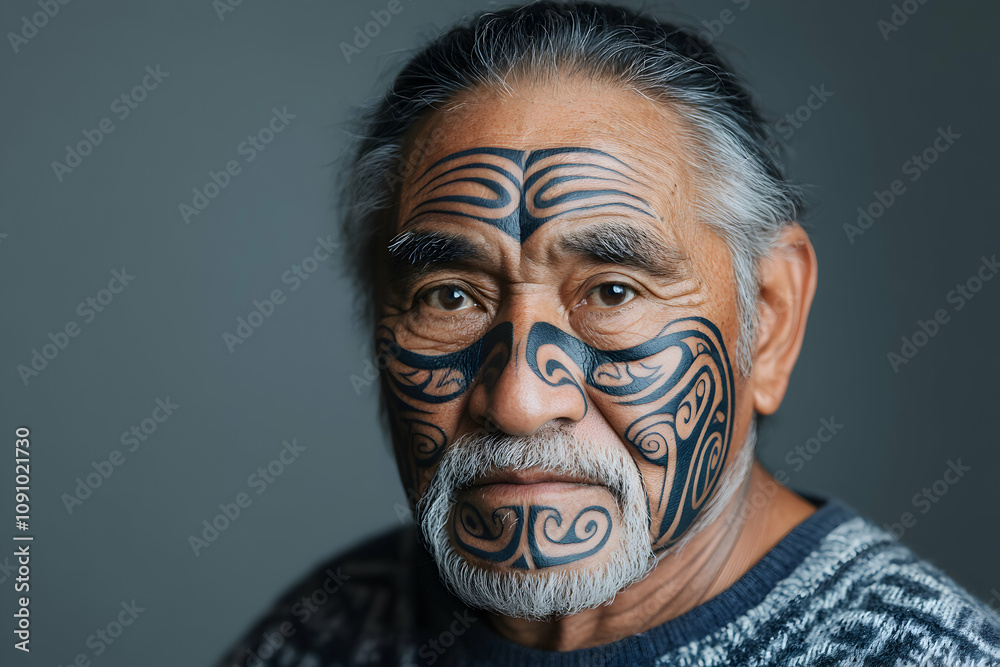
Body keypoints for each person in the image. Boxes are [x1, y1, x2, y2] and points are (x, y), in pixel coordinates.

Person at [217, 2, 1000, 665]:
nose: (521, 400)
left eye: (613, 290)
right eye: (450, 295)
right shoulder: (323, 632)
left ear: (771, 316)